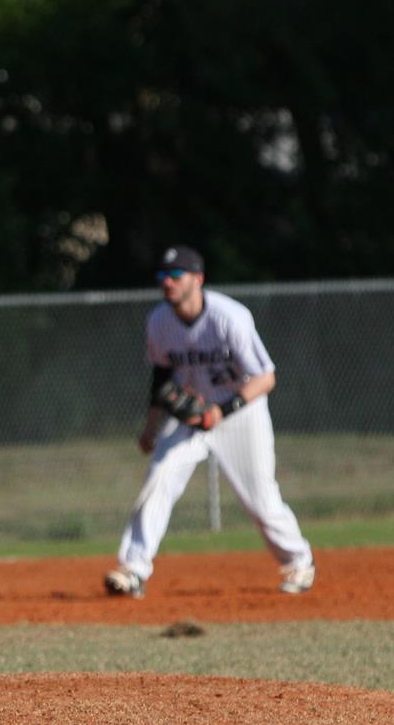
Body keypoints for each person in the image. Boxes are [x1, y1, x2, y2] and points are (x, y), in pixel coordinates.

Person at [104, 245, 314, 600]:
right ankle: (134, 569)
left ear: (197, 279)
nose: (167, 283)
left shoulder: (229, 317)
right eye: (162, 276)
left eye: (175, 275)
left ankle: (299, 561)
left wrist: (223, 410)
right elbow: (162, 377)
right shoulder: (159, 321)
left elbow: (265, 378)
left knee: (260, 498)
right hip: (190, 415)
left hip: (240, 414)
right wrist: (151, 426)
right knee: (159, 479)